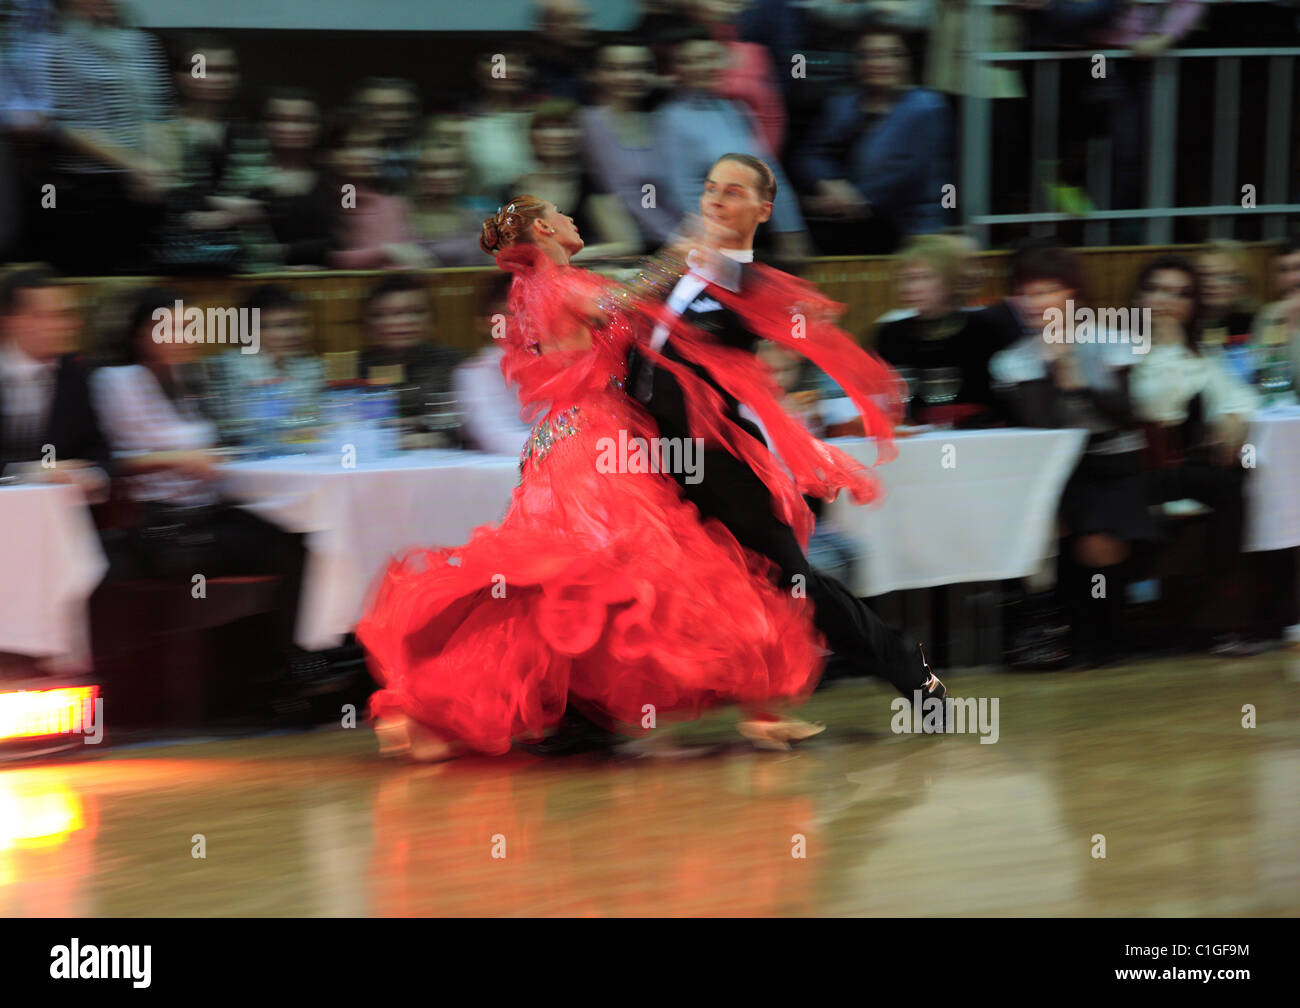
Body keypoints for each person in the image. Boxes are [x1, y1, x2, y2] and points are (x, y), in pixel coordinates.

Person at [356, 195, 831, 761]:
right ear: (541, 228)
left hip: (564, 443)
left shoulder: (535, 289)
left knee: (566, 587)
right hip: (595, 446)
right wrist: (682, 250)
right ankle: (438, 707)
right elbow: (627, 299)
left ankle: (434, 710)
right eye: (562, 215)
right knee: (639, 573)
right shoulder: (558, 285)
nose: (573, 219)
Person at [625, 153, 946, 715]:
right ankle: (593, 712)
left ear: (763, 209)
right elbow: (613, 310)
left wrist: (877, 400)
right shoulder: (671, 269)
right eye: (710, 189)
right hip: (641, 452)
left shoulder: (752, 287)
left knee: (796, 580)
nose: (716, 201)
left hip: (713, 459)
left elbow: (819, 345)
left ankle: (913, 678)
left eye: (733, 192)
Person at [989, 246, 1157, 665]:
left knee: (1097, 546)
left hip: (1112, 461)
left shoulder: (1113, 340)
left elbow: (1127, 416)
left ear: (1072, 295)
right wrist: (1052, 365)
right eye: (1025, 294)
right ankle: (1063, 638)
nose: (1033, 303)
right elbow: (1044, 426)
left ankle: (1105, 640)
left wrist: (1080, 382)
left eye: (1045, 291)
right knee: (1051, 533)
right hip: (1052, 466)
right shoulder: (1012, 362)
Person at [1127, 255, 1262, 656]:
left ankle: (1222, 619)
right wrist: (1166, 346)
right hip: (1124, 470)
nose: (1168, 301)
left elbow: (1240, 394)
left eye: (1180, 294)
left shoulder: (1199, 352)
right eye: (1157, 290)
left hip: (1174, 470)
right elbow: (1158, 406)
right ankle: (1215, 621)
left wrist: (1235, 417)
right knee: (1223, 483)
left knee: (1238, 479)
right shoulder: (1119, 346)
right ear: (1138, 297)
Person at [795, 26, 953, 253]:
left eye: (892, 54)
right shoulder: (841, 104)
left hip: (910, 226)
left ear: (906, 62)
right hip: (849, 223)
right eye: (870, 55)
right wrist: (829, 183)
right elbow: (811, 154)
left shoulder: (926, 106)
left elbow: (909, 172)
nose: (881, 62)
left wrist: (854, 200)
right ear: (858, 63)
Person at [0, 265, 109, 501]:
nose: (70, 324)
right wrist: (27, 473)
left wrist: (93, 475)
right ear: (13, 322)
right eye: (53, 315)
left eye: (67, 314)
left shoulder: (77, 374)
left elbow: (98, 450)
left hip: (57, 518)